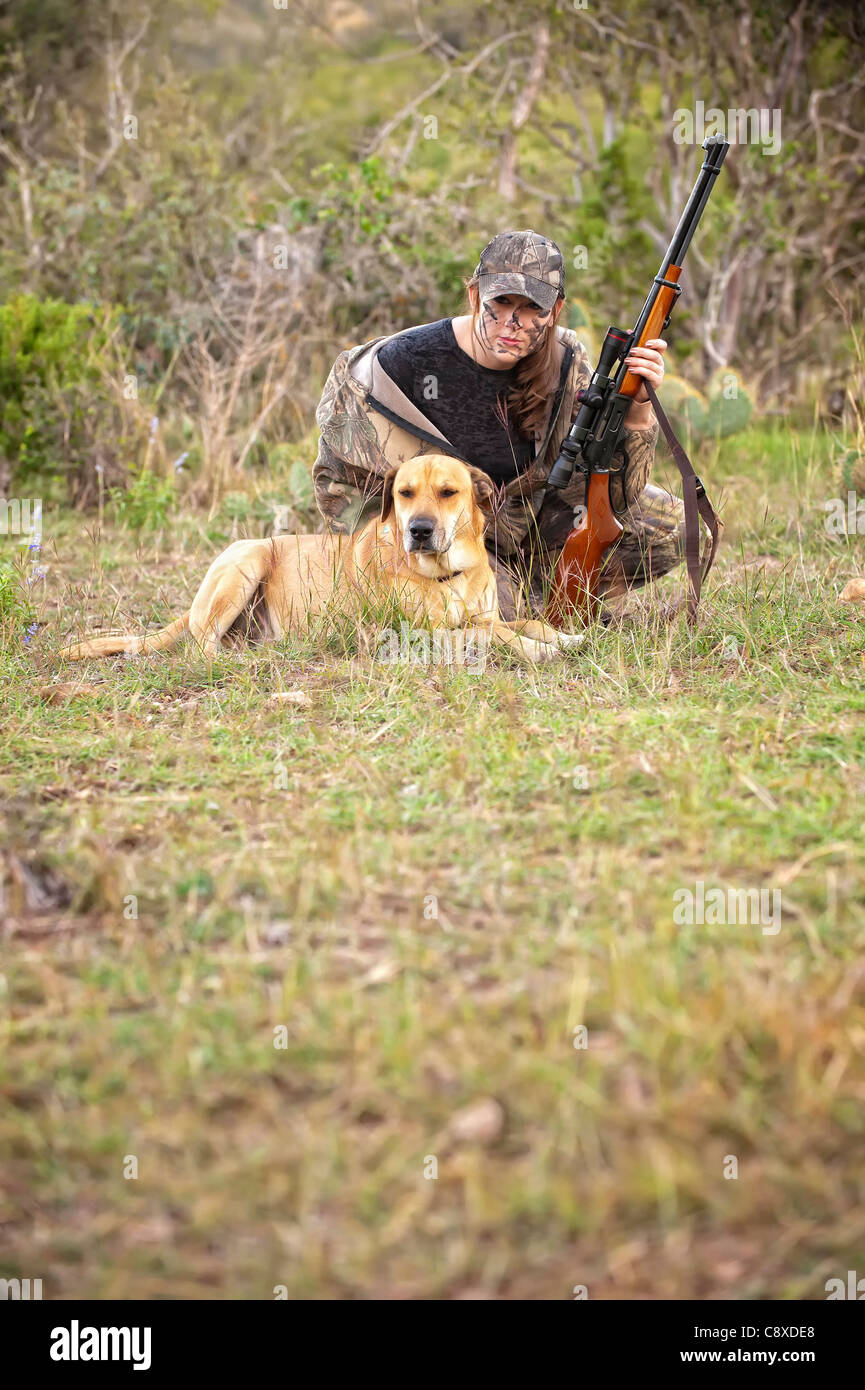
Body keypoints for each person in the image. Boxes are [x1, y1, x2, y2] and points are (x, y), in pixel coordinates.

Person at [312, 228, 703, 622]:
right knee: (498, 617)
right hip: (436, 538)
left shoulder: (569, 365)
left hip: (528, 528)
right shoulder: (400, 365)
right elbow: (338, 484)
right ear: (474, 296)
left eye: (534, 307)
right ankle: (529, 603)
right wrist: (390, 560)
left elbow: (618, 493)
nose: (514, 322)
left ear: (556, 311)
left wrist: (638, 410)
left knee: (678, 529)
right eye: (501, 301)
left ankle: (543, 591)